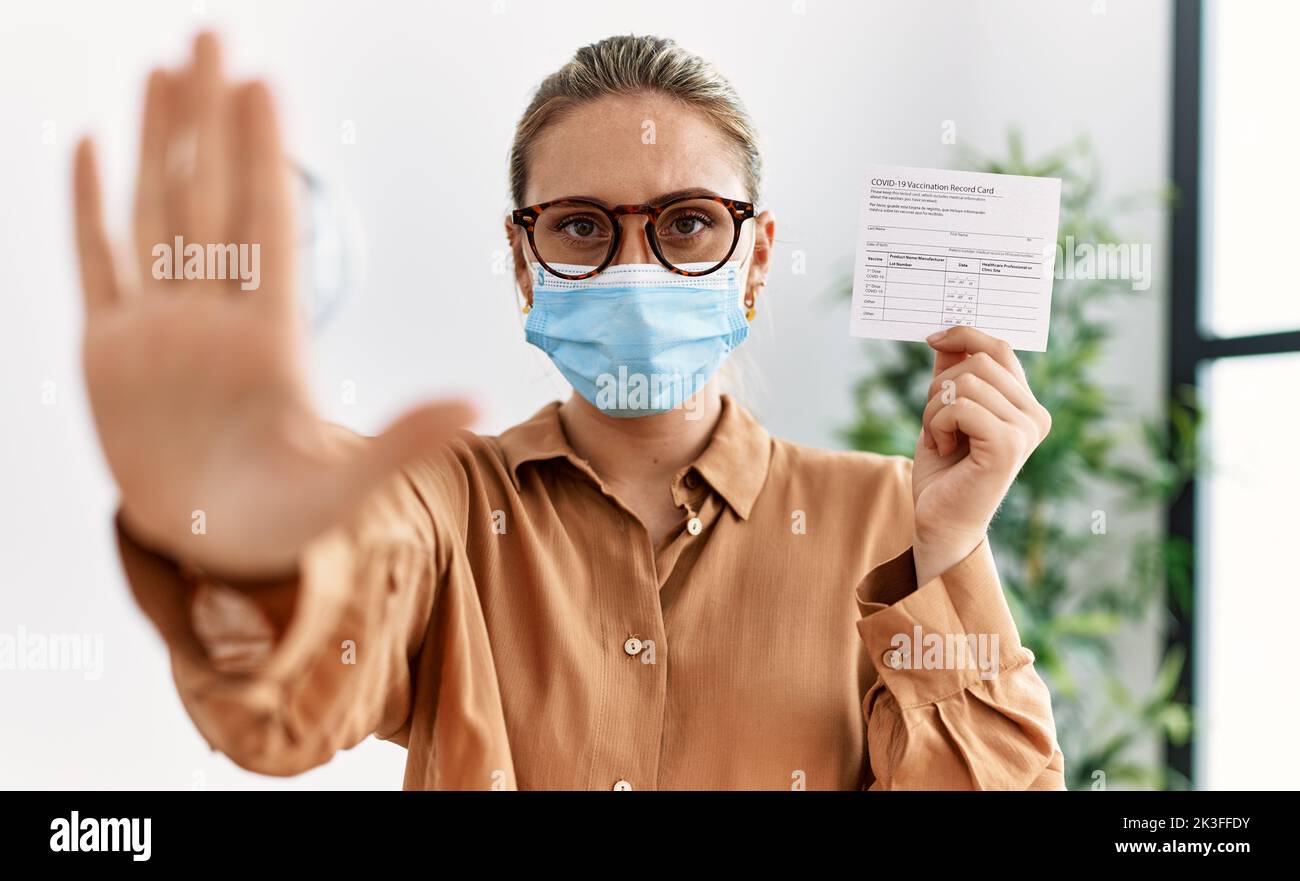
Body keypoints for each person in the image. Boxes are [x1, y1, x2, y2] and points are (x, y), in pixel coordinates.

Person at [72, 31, 1063, 790]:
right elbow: (288, 701)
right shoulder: (438, 503)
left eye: (687, 222)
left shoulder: (886, 522)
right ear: (523, 259)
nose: (637, 266)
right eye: (582, 226)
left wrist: (948, 550)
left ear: (754, 257)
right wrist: (248, 540)